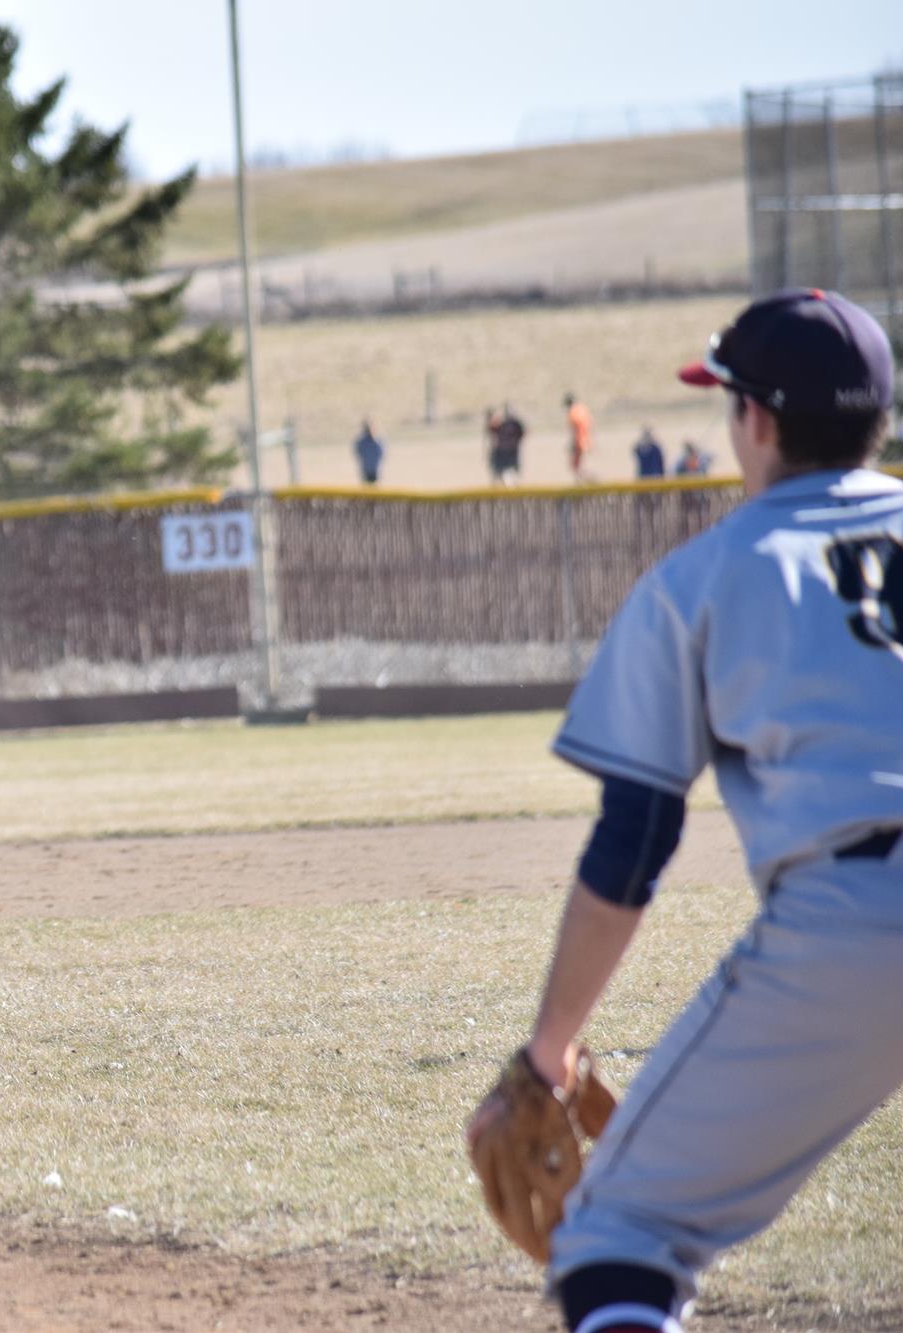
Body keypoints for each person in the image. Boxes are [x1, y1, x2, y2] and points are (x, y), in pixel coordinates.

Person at [466, 289, 901, 1333]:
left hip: (859, 923)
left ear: (752, 419)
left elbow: (634, 843)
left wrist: (546, 1053)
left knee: (616, 1233)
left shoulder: (702, 578)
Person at [565, 391, 595, 483]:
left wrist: (573, 444)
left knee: (576, 466)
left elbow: (575, 429)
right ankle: (586, 481)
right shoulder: (582, 409)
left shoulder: (573, 412)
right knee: (580, 465)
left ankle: (586, 482)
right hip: (586, 441)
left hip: (579, 442)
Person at [495, 402, 527, 485]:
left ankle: (511, 486)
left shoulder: (515, 423)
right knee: (504, 470)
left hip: (511, 450)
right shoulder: (500, 422)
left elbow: (522, 433)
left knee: (512, 470)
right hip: (503, 450)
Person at [353, 418, 385, 484]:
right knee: (366, 488)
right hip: (366, 468)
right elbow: (358, 451)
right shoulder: (362, 441)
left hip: (374, 468)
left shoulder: (376, 440)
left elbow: (381, 452)